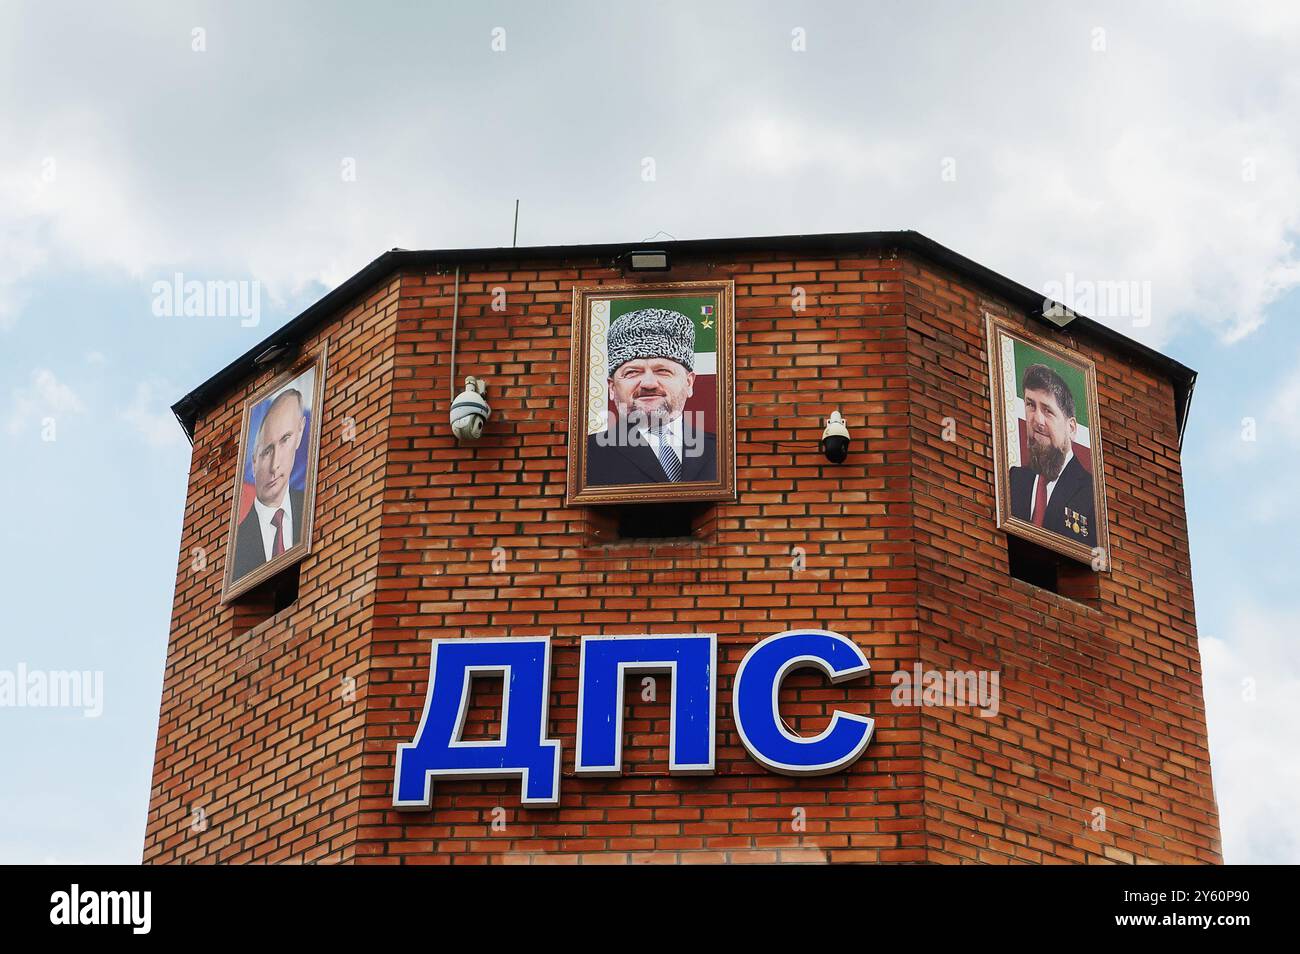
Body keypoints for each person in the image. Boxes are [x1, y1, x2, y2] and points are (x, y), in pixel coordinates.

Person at [586, 307, 716, 486]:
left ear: (689, 383)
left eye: (663, 371)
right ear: (612, 387)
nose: (648, 383)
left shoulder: (723, 450)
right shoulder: (585, 455)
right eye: (632, 372)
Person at [1008, 363, 1097, 547]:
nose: (1037, 420)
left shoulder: (1092, 495)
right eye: (1031, 405)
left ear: (1071, 428)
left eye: (1048, 411)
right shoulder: (1014, 479)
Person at [232, 387, 307, 581]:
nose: (275, 466)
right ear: (254, 460)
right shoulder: (237, 545)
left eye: (285, 440)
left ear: (300, 433)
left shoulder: (312, 508)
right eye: (266, 452)